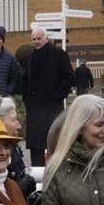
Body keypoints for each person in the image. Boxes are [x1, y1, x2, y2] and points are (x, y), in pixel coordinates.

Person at [23, 25, 74, 166]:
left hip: (52, 107)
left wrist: (58, 95)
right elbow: (25, 79)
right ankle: (38, 177)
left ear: (46, 38)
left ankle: (57, 173)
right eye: (33, 39)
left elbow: (69, 77)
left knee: (54, 143)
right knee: (36, 148)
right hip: (34, 109)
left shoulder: (59, 55)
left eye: (39, 38)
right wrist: (26, 99)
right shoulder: (30, 57)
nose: (36, 41)